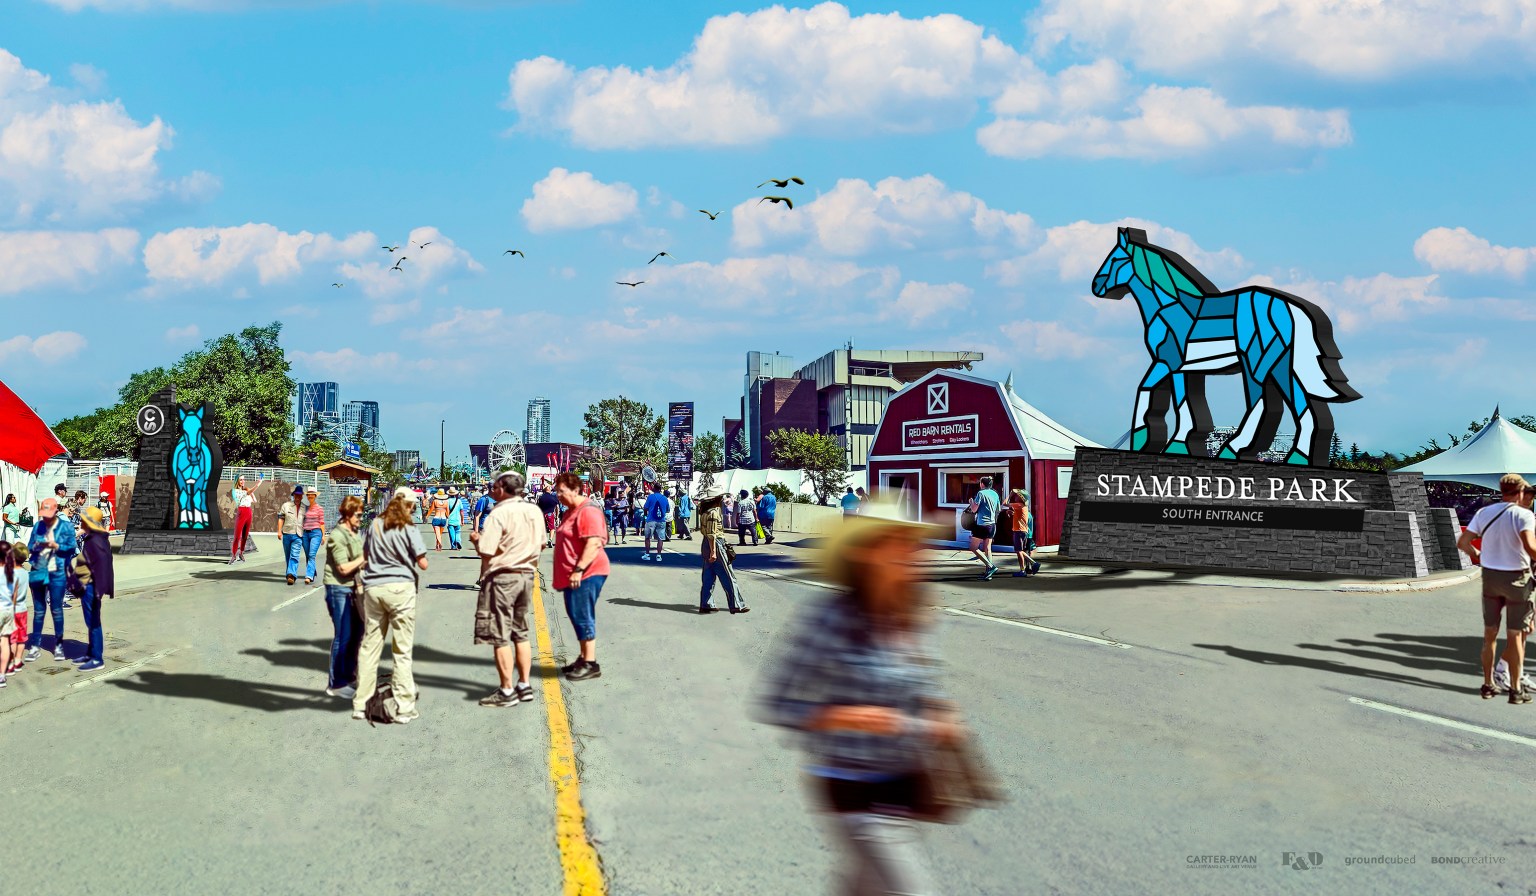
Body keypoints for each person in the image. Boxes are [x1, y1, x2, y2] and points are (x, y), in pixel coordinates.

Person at [757, 502, 975, 896]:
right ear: (866, 551)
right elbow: (776, 702)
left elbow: (923, 687)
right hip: (851, 787)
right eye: (899, 542)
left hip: (906, 785)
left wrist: (941, 712)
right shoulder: (829, 618)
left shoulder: (913, 612)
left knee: (864, 889)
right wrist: (842, 717)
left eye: (914, 542)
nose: (914, 551)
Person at [1457, 473, 1536, 704]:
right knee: (1519, 632)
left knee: (1492, 634)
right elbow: (1529, 547)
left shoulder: (1484, 513)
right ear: (1521, 492)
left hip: (1491, 577)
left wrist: (1479, 556)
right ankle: (1514, 686)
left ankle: (1490, 683)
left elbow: (1463, 542)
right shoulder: (1524, 515)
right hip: (1517, 579)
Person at [354, 487, 429, 723]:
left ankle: (361, 704)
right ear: (407, 505)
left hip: (374, 588)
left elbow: (365, 553)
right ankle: (405, 707)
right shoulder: (408, 527)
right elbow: (423, 563)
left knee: (370, 647)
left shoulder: (376, 524)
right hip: (400, 589)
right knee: (402, 651)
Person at [472, 472, 545, 706]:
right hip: (526, 575)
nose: (492, 490)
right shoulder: (534, 511)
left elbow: (486, 550)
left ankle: (506, 690)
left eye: (494, 487)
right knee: (521, 632)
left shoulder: (499, 513)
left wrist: (476, 540)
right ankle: (524, 684)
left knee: (500, 636)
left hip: (502, 577)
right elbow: (542, 542)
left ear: (503, 488)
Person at [553, 472, 610, 681]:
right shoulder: (570, 511)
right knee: (576, 614)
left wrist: (578, 569)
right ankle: (584, 657)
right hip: (573, 573)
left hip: (588, 572)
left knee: (583, 614)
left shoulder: (587, 511)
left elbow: (594, 542)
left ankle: (590, 663)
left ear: (575, 489)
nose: (558, 495)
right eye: (556, 490)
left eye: (562, 491)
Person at [322, 496, 367, 699]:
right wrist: (364, 558)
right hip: (338, 588)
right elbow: (343, 567)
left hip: (352, 588)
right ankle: (336, 683)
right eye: (358, 515)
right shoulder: (337, 537)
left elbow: (359, 563)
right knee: (343, 635)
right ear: (348, 515)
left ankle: (349, 677)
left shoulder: (354, 533)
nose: (360, 518)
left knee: (357, 633)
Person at [24, 498, 75, 662]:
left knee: (56, 609)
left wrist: (57, 546)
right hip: (38, 570)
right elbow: (30, 546)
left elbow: (72, 547)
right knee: (38, 611)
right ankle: (35, 645)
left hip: (56, 572)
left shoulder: (65, 526)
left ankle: (58, 645)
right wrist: (35, 546)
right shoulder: (38, 526)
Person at [74, 506, 113, 671]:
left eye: (84, 519)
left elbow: (104, 566)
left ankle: (97, 659)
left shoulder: (96, 540)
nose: (81, 521)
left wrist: (99, 589)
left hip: (92, 586)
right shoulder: (93, 537)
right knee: (90, 622)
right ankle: (91, 653)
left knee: (94, 622)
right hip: (88, 585)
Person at [697, 487, 747, 615]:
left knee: (708, 576)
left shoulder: (704, 511)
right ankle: (737, 604)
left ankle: (706, 604)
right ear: (717, 499)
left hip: (705, 544)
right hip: (715, 544)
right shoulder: (714, 512)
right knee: (728, 576)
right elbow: (712, 534)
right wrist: (714, 551)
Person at [967, 476, 1002, 581]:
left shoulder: (980, 493)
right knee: (987, 549)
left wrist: (971, 502)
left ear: (982, 484)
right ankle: (988, 573)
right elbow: (998, 510)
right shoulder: (995, 494)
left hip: (982, 524)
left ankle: (991, 567)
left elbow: (974, 510)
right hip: (992, 525)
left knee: (973, 548)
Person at [0, 541, 23, 687]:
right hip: (8, 609)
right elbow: (14, 595)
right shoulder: (12, 573)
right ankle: (2, 675)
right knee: (5, 641)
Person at [228, 475, 262, 565]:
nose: (243, 481)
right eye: (241, 480)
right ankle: (234, 556)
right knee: (237, 536)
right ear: (237, 481)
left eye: (244, 479)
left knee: (245, 535)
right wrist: (257, 485)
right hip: (241, 511)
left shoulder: (246, 490)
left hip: (249, 512)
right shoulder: (235, 491)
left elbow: (254, 500)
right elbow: (247, 493)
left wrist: (250, 491)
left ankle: (241, 553)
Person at [1007, 489, 1041, 577]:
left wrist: (1009, 496)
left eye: (1017, 495)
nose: (1016, 496)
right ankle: (1026, 568)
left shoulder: (1019, 504)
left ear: (1021, 498)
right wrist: (1013, 513)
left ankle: (1030, 566)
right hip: (1023, 532)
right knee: (1021, 551)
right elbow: (1020, 517)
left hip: (1019, 531)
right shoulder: (1023, 507)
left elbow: (1004, 503)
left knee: (1019, 551)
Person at [276, 485, 305, 586]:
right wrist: (279, 531)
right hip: (287, 534)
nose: (297, 497)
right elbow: (281, 518)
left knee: (294, 555)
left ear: (302, 496)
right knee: (288, 556)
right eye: (296, 495)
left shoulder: (305, 508)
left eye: (299, 495)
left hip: (298, 535)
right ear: (293, 495)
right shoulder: (286, 505)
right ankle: (290, 574)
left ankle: (291, 575)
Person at [301, 486, 326, 585]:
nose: (310, 496)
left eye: (312, 494)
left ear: (315, 496)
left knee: (311, 554)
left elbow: (322, 522)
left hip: (316, 533)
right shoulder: (305, 508)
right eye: (309, 495)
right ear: (307, 496)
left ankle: (309, 576)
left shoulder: (319, 508)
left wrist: (323, 536)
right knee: (308, 555)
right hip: (305, 534)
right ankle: (312, 571)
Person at [641, 482, 669, 562]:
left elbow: (645, 507)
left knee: (647, 538)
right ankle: (659, 556)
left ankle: (647, 554)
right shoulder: (664, 498)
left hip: (651, 520)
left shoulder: (650, 497)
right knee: (660, 539)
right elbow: (667, 510)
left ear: (654, 489)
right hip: (662, 520)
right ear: (660, 489)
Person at [444, 486, 466, 551]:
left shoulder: (447, 501)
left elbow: (446, 511)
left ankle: (453, 545)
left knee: (452, 534)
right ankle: (458, 541)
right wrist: (462, 520)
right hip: (458, 520)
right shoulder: (459, 501)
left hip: (450, 520)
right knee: (458, 533)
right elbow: (461, 511)